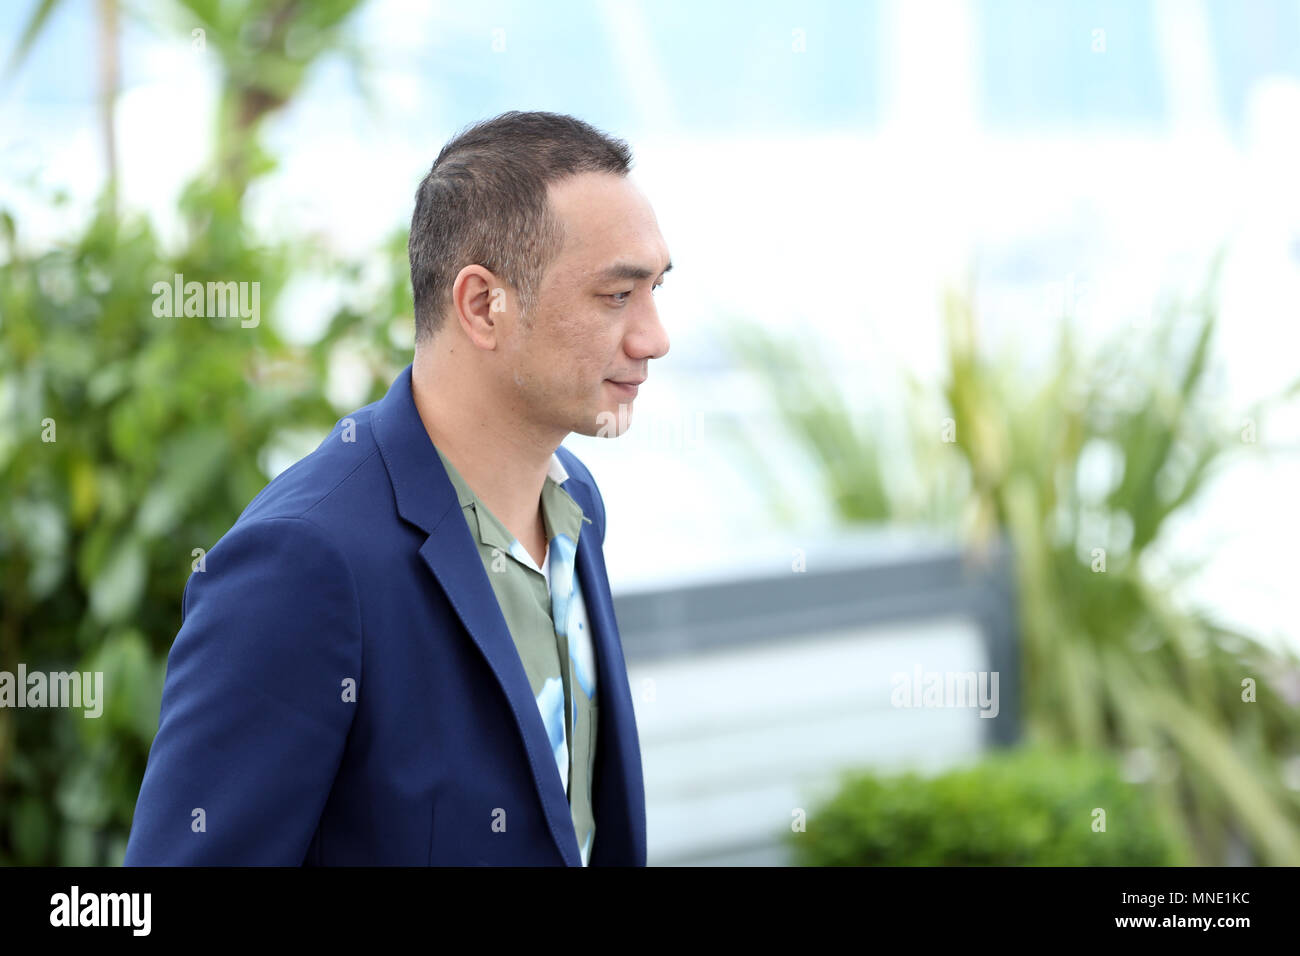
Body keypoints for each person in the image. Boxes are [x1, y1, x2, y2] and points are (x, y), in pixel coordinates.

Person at [124, 111, 672, 866]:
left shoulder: (575, 503)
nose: (655, 337)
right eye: (618, 296)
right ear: (484, 305)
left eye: (656, 290)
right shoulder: (304, 562)